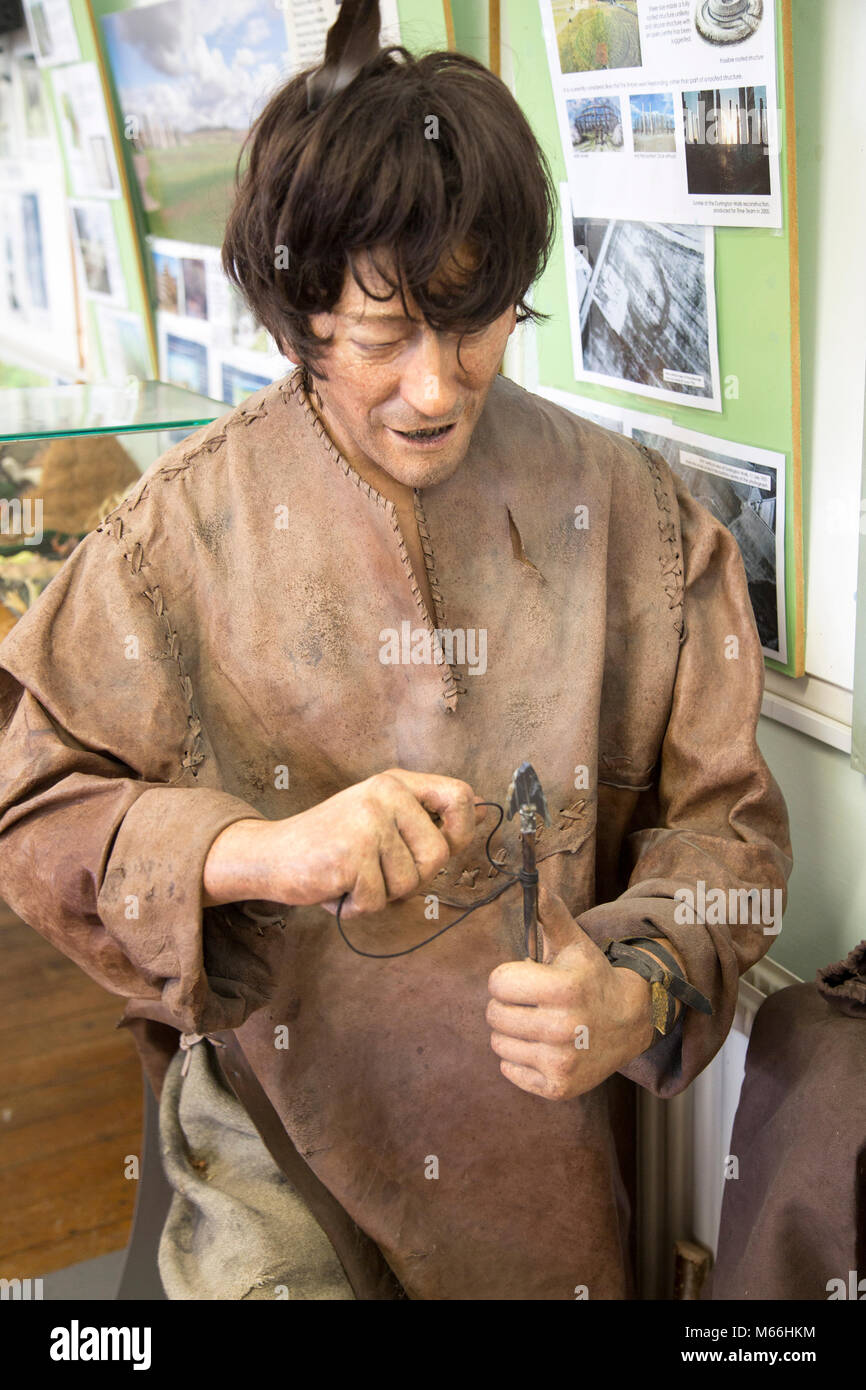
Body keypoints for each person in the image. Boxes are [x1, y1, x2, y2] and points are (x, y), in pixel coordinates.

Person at [0, 25, 791, 1300]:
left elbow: (729, 830)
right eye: (382, 334)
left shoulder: (626, 510)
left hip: (537, 1167)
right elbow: (34, 810)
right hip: (273, 1135)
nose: (436, 386)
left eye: (477, 324)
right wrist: (259, 849)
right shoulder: (174, 534)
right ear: (296, 310)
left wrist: (638, 986)